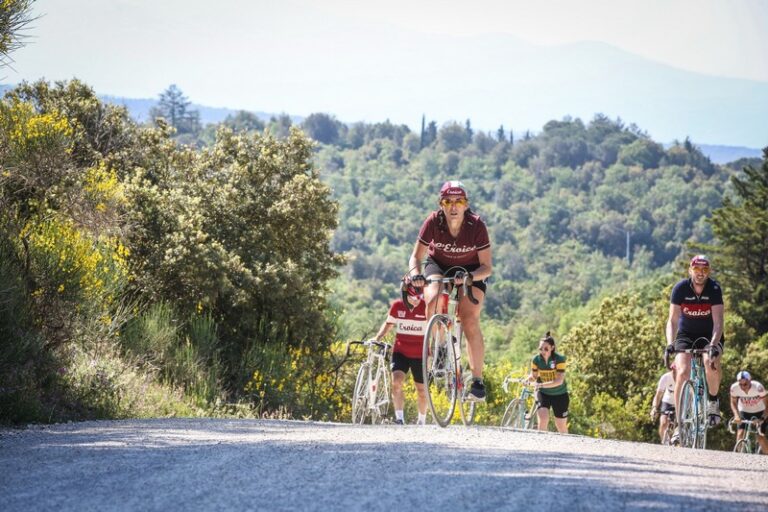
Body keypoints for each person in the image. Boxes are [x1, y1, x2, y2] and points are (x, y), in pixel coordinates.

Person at [407, 180, 492, 401]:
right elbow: (416, 257)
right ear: (441, 204)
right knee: (433, 298)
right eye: (448, 201)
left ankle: (477, 381)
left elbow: (487, 267)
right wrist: (415, 274)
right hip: (439, 265)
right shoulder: (433, 221)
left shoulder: (476, 225)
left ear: (466, 204)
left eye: (459, 201)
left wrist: (470, 277)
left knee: (469, 318)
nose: (453, 206)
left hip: (471, 270)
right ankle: (442, 346)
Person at [665, 255, 724, 427]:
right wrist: (670, 344)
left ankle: (713, 401)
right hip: (686, 335)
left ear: (709, 272)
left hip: (709, 335)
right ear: (690, 270)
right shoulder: (680, 288)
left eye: (704, 269)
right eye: (697, 269)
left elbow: (718, 322)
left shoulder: (714, 289)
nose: (700, 273)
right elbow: (672, 321)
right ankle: (679, 424)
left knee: (710, 362)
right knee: (682, 372)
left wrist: (713, 344)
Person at [373, 285, 428, 425]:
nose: (416, 301)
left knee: (421, 390)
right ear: (405, 295)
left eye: (419, 298)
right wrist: (377, 338)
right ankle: (399, 419)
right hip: (400, 352)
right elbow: (388, 324)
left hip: (420, 355)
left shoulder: (426, 307)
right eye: (413, 298)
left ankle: (421, 421)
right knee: (396, 383)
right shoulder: (397, 306)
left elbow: (435, 328)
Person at [530, 332, 569, 433]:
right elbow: (534, 376)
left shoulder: (559, 359)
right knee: (543, 419)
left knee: (561, 425)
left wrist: (541, 384)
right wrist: (527, 380)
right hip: (543, 393)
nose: (543, 351)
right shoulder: (536, 360)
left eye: (546, 349)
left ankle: (566, 442)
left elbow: (559, 381)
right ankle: (541, 441)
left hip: (560, 394)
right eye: (540, 349)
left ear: (552, 348)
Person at [729, 370, 768, 454]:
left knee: (760, 437)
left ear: (750, 381)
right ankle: (739, 456)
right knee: (740, 433)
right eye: (740, 384)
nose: (743, 387)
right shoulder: (734, 388)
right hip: (744, 411)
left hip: (760, 411)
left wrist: (762, 418)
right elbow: (733, 402)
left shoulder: (758, 387)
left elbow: (767, 405)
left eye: (745, 384)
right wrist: (736, 415)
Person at [650, 365, 677, 443]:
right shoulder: (665, 377)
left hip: (681, 402)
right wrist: (654, 408)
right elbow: (658, 395)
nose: (675, 373)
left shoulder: (684, 376)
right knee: (663, 422)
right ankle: (664, 442)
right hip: (668, 401)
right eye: (673, 371)